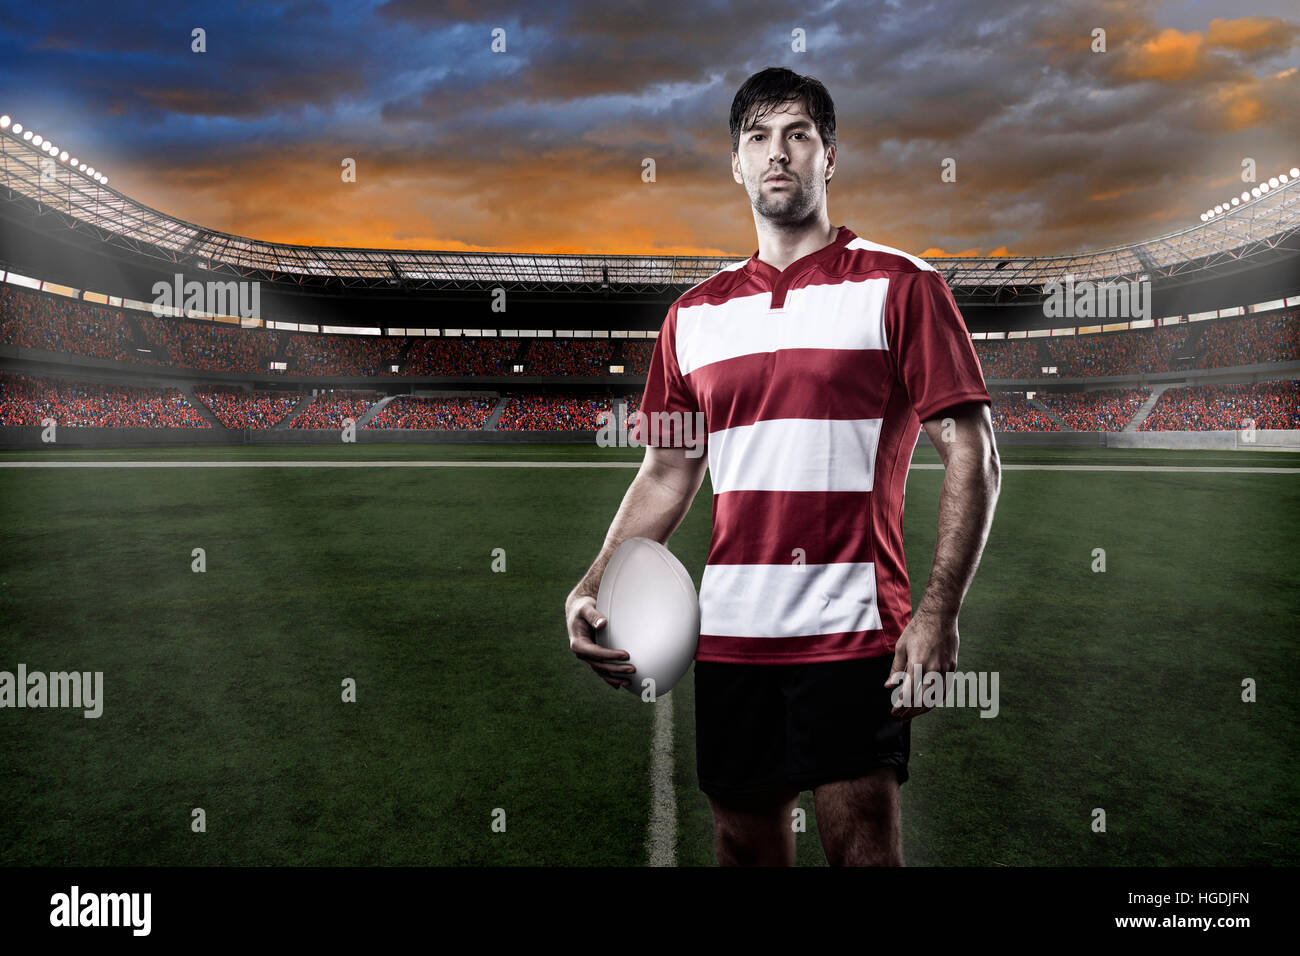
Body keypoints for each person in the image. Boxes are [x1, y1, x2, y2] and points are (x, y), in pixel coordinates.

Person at [565, 66, 1000, 866]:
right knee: (741, 846)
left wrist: (938, 613)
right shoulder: (692, 315)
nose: (778, 153)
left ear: (828, 155)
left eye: (797, 134)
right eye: (757, 137)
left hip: (852, 632)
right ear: (736, 164)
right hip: (731, 636)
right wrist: (595, 581)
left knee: (862, 848)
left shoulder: (902, 285)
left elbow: (972, 453)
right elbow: (668, 470)